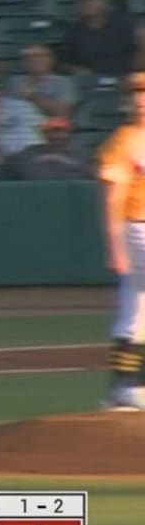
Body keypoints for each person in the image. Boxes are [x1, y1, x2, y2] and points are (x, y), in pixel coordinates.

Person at [97, 72, 145, 409]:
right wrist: (115, 246)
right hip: (138, 227)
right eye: (137, 96)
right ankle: (127, 385)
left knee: (136, 310)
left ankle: (123, 386)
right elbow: (113, 198)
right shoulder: (125, 140)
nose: (140, 101)